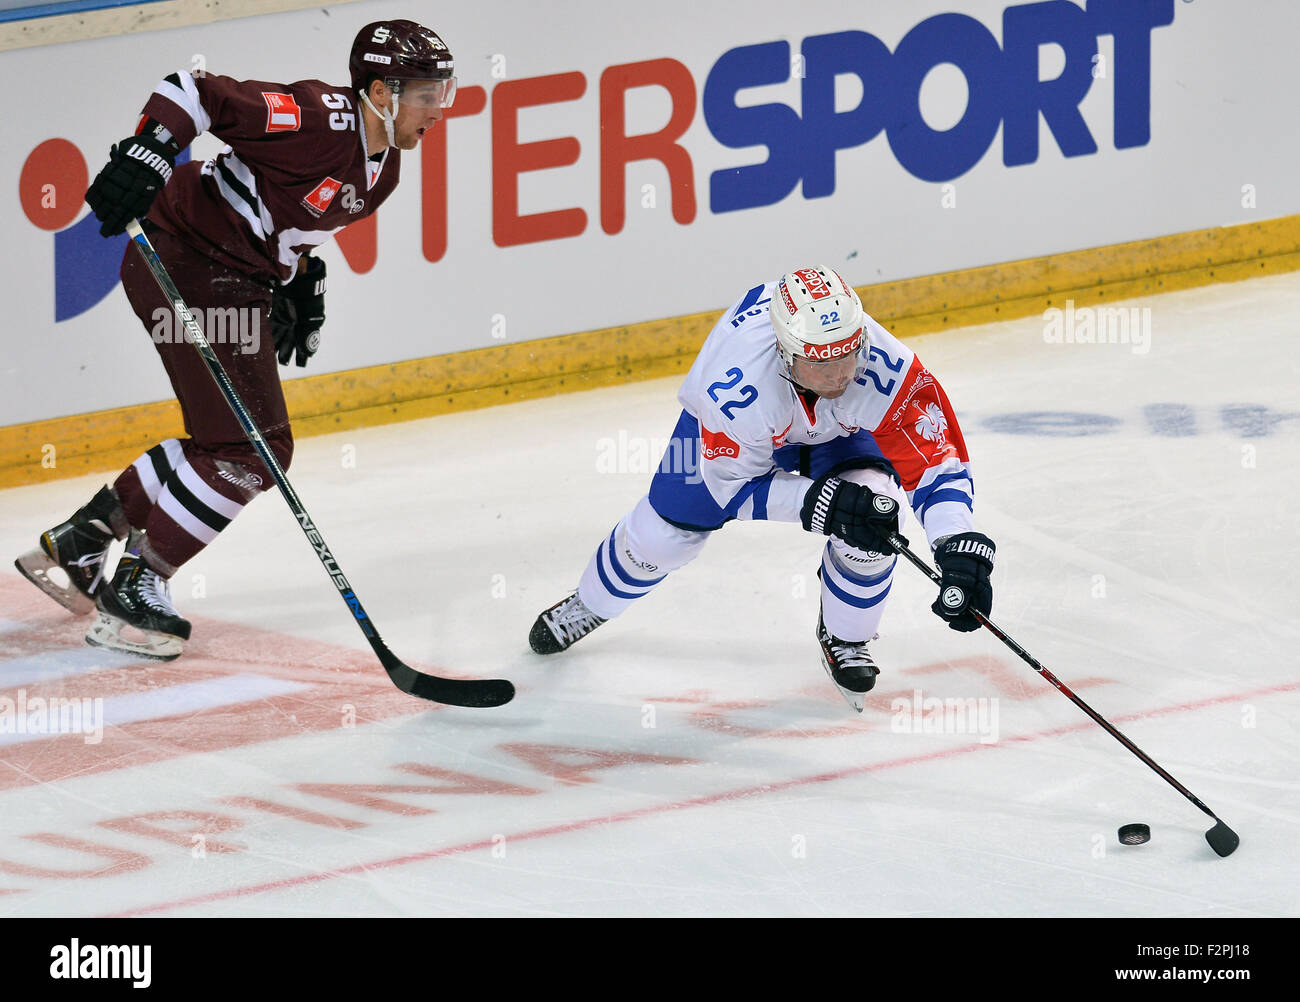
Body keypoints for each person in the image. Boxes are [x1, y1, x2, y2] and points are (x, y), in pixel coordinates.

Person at [14, 20, 457, 660]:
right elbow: (195, 91)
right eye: (426, 94)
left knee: (220, 444)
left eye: (443, 92)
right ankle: (137, 586)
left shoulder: (381, 171)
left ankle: (84, 542)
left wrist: (301, 282)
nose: (438, 110)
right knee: (256, 450)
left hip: (229, 281)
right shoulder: (315, 116)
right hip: (186, 266)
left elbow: (284, 221)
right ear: (383, 93)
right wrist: (150, 150)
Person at [528, 266, 997, 711]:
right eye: (822, 362)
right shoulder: (736, 391)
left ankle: (847, 637)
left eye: (848, 354)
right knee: (661, 538)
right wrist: (818, 502)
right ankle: (589, 603)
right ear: (787, 353)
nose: (839, 375)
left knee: (876, 510)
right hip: (727, 441)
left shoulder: (882, 365)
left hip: (835, 430)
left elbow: (936, 457)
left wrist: (956, 544)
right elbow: (729, 488)